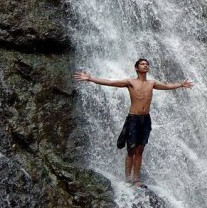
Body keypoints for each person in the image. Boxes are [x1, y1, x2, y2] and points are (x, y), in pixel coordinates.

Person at [74, 58, 193, 188]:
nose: (145, 65)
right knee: (131, 150)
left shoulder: (152, 83)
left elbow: (167, 86)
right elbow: (110, 82)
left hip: (145, 119)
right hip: (133, 119)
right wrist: (90, 78)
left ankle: (136, 179)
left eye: (147, 64)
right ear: (137, 68)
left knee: (140, 150)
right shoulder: (130, 82)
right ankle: (127, 178)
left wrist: (181, 85)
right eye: (142, 64)